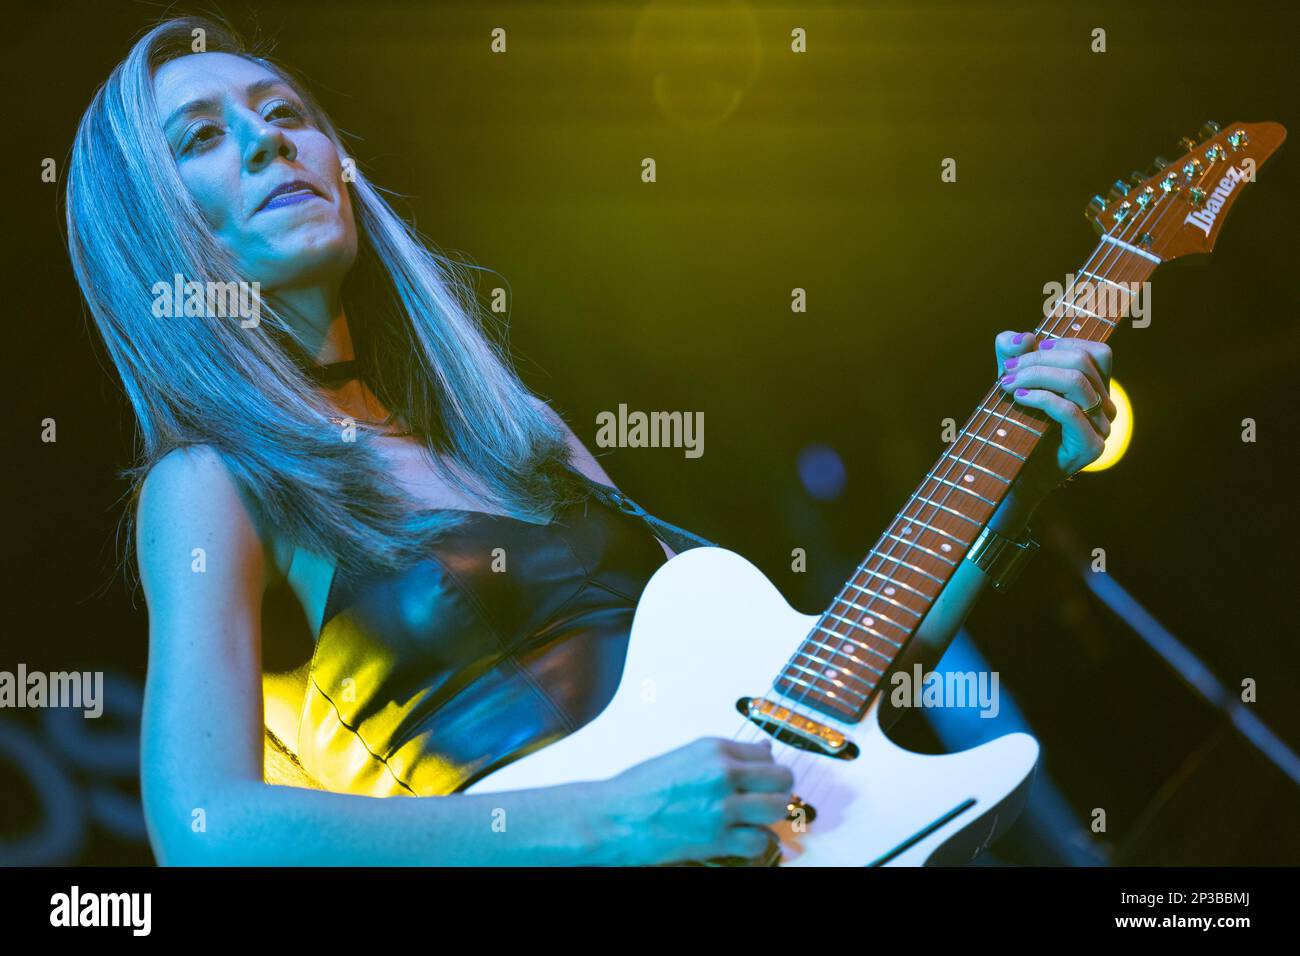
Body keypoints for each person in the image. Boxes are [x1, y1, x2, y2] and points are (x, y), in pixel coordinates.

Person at [64, 16, 1115, 866]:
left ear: (342, 166)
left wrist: (1017, 476)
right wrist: (610, 817)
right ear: (156, 230)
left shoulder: (517, 434)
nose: (266, 141)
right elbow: (206, 832)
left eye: (285, 111)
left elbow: (814, 704)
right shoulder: (210, 484)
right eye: (201, 136)